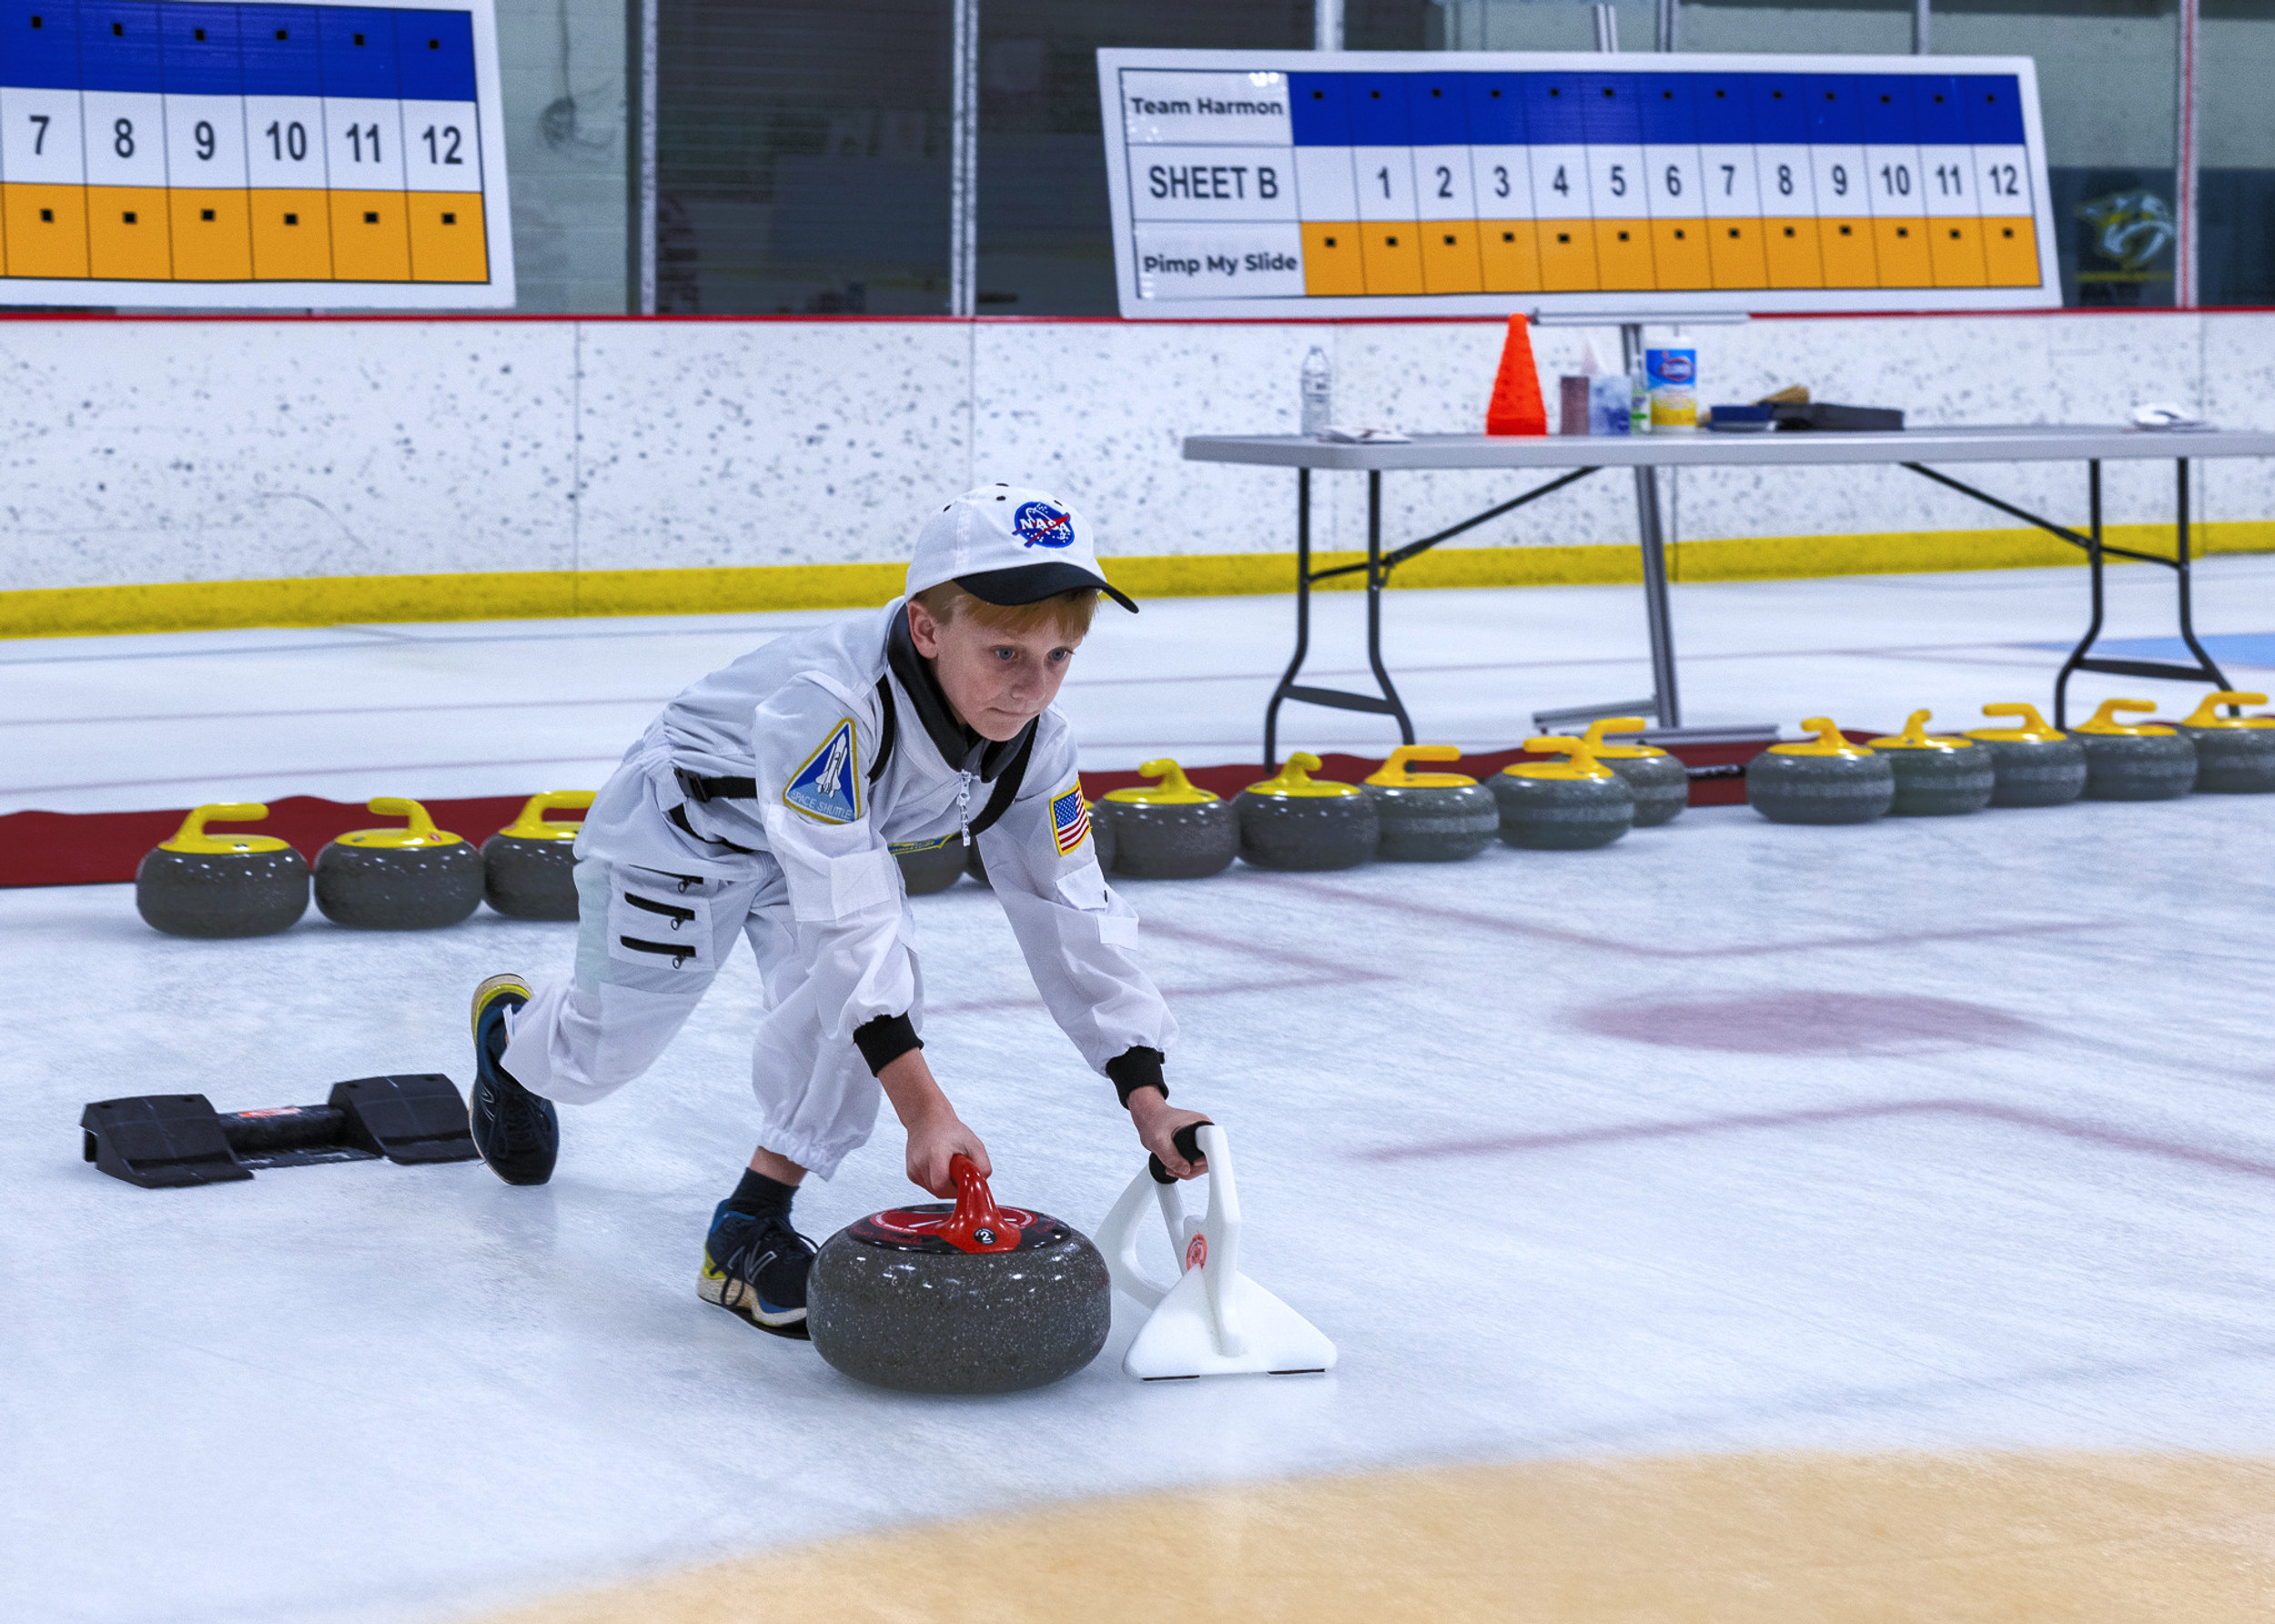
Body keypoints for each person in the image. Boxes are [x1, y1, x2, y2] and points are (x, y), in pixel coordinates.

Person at [464, 485, 1211, 1340]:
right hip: (679, 834)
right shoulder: (832, 702)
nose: (1031, 687)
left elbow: (1073, 913)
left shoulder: (1038, 744)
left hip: (814, 850)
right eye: (1005, 652)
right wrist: (924, 1110)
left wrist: (1147, 1097)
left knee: (861, 1005)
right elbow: (845, 918)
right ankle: (511, 1040)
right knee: (598, 1058)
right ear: (927, 629)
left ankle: (749, 1226)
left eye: (1059, 655)